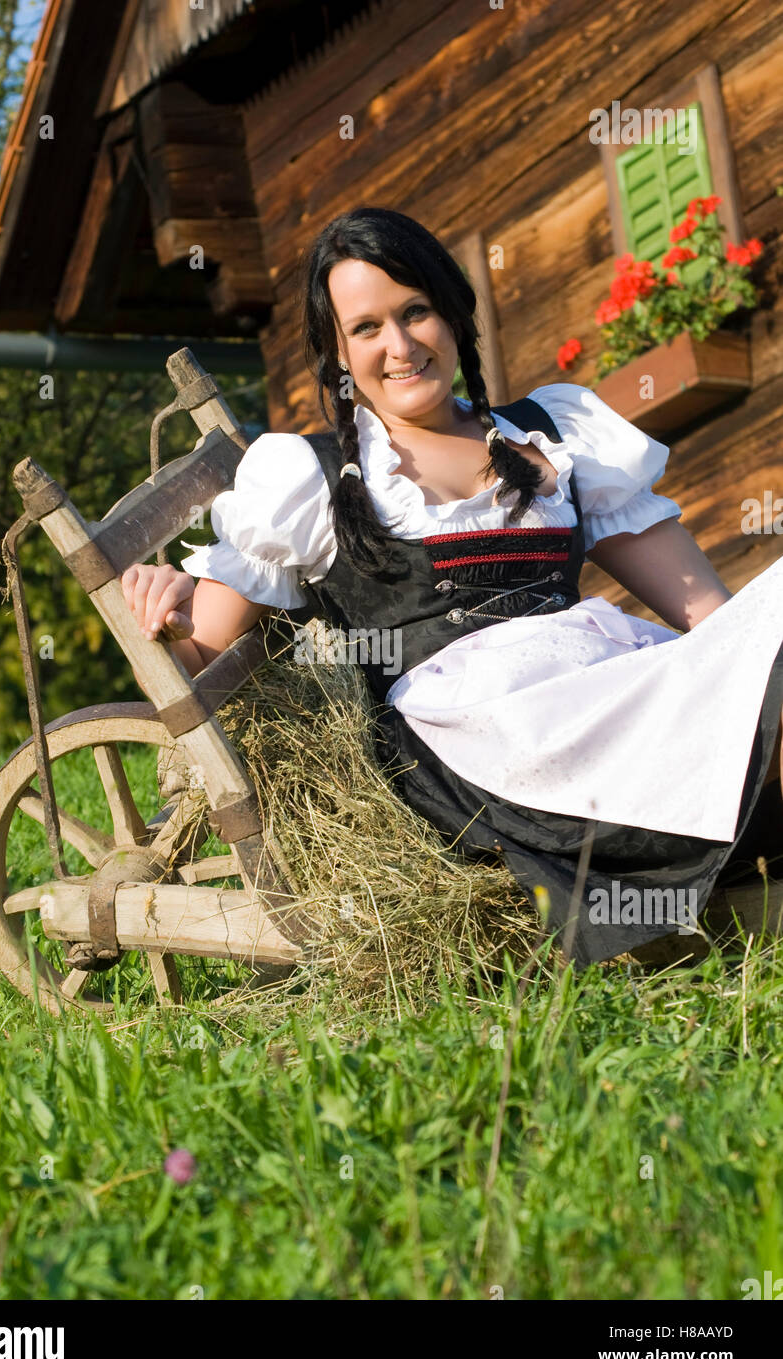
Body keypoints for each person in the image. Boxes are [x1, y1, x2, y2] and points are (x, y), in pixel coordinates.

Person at [121, 206, 783, 969]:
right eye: (366, 329)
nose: (399, 347)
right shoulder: (307, 476)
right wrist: (170, 606)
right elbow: (206, 649)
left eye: (415, 312)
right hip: (485, 762)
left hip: (605, 702)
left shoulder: (555, 433)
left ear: (453, 314)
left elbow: (709, 616)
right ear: (337, 352)